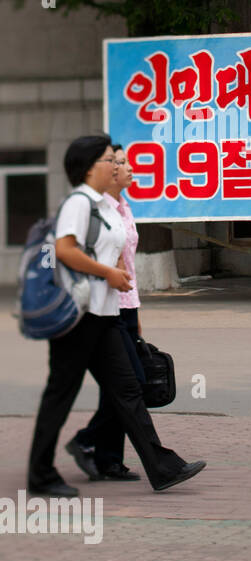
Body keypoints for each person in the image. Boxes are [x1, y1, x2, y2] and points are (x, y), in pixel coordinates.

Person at [27, 135, 205, 498]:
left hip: (107, 316)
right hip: (78, 318)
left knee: (128, 390)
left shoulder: (108, 207)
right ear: (91, 167)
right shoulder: (79, 202)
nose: (118, 164)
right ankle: (40, 473)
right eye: (110, 159)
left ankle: (162, 467)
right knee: (61, 394)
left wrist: (118, 268)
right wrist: (107, 273)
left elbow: (113, 249)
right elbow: (65, 249)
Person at [65, 143, 146, 481]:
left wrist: (138, 315)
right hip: (101, 311)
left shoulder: (124, 209)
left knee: (120, 387)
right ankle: (86, 441)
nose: (129, 168)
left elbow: (127, 266)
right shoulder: (96, 211)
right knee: (131, 385)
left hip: (127, 307)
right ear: (108, 170)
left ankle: (109, 459)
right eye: (121, 162)